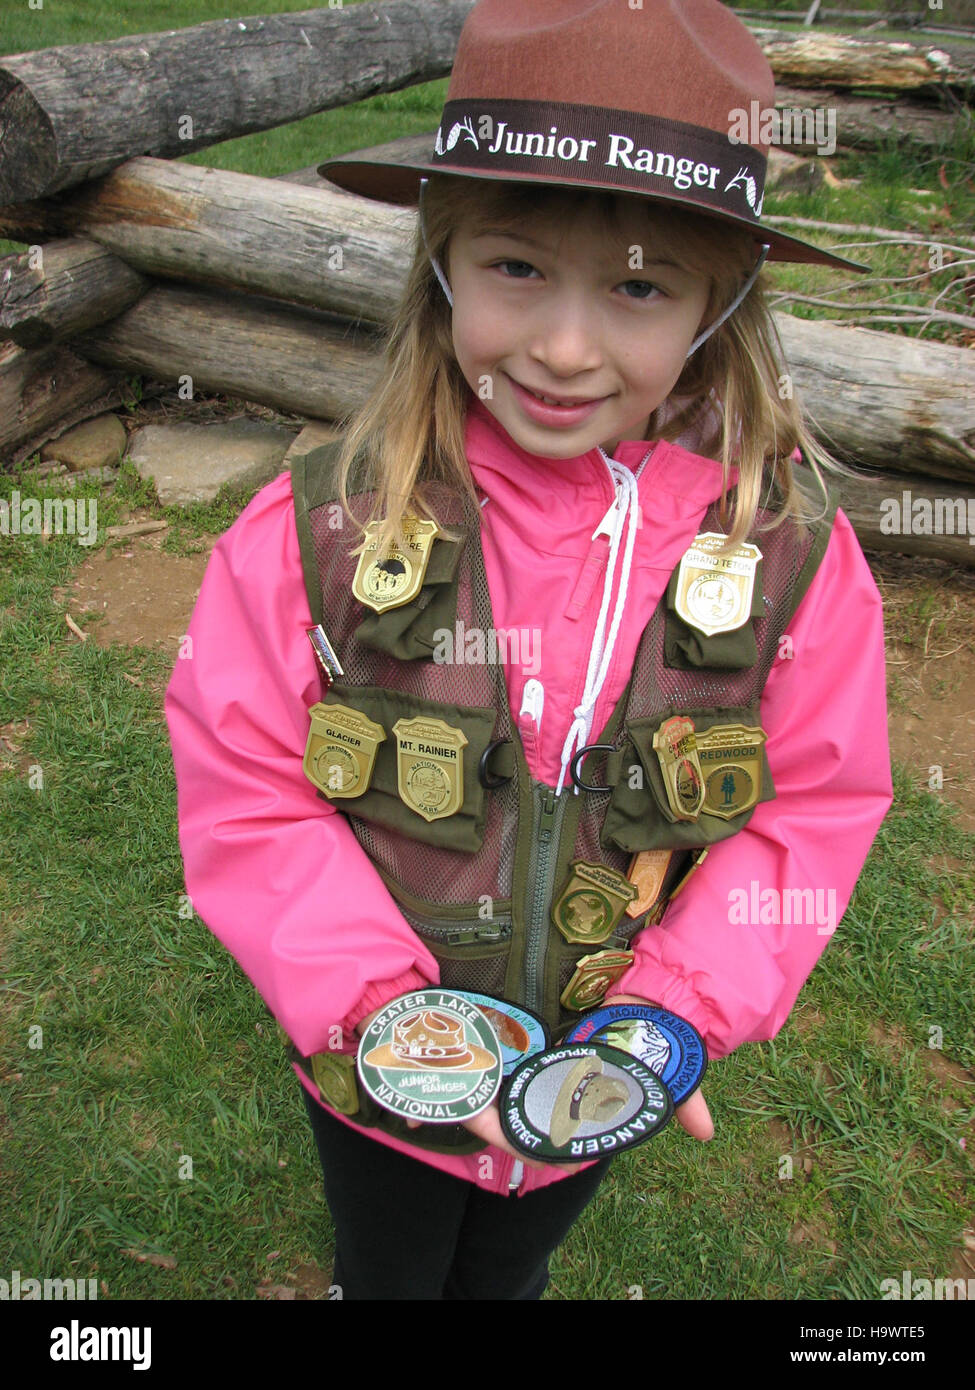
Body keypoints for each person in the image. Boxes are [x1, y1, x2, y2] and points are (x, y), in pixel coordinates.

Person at [164, 0, 893, 1300]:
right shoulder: (325, 527)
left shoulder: (788, 558)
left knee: (511, 1267)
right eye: (514, 268)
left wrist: (680, 1008)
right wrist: (379, 1010)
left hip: (602, 1073)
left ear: (718, 308)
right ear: (440, 263)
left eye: (636, 287)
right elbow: (247, 779)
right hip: (378, 1070)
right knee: (386, 1264)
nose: (564, 346)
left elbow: (814, 814)